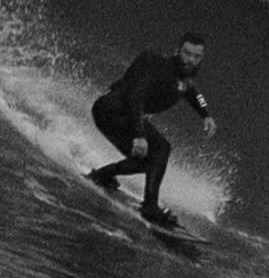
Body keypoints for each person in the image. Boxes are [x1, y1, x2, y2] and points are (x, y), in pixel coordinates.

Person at [88, 33, 216, 228]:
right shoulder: (161, 67)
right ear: (177, 51)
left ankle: (103, 175)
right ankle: (149, 207)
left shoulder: (183, 79)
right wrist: (139, 134)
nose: (191, 60)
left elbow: (194, 94)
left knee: (149, 160)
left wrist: (206, 115)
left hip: (124, 116)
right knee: (161, 149)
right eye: (187, 53)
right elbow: (136, 96)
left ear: (202, 58)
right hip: (111, 111)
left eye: (196, 56)